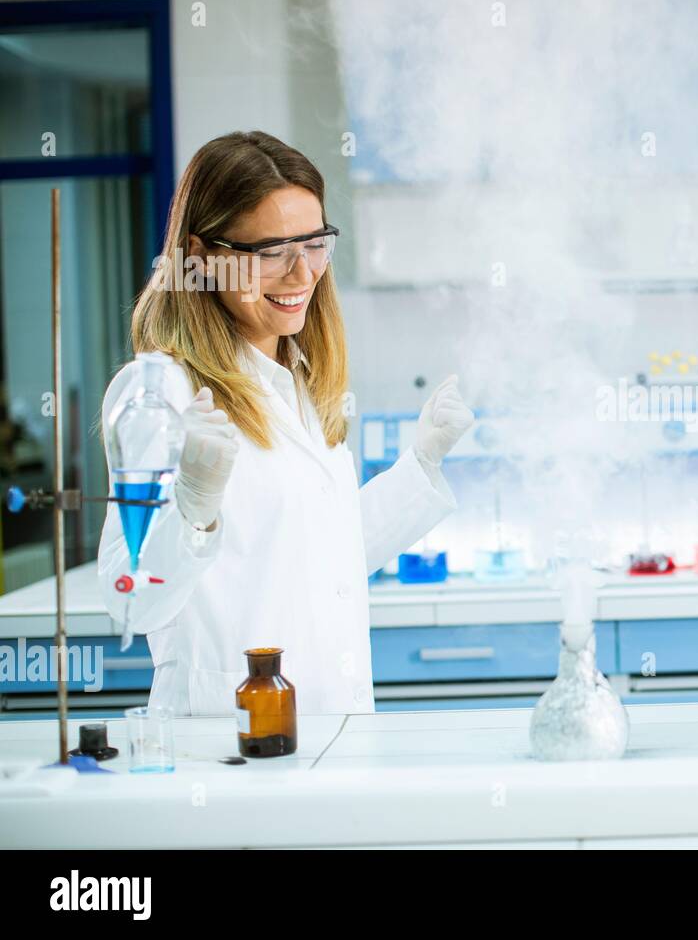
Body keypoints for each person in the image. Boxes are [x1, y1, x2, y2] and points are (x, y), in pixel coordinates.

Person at [97, 131, 473, 715]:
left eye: (315, 244)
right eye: (271, 252)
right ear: (200, 258)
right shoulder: (164, 394)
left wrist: (419, 464)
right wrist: (193, 506)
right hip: (228, 743)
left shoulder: (297, 379)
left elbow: (322, 555)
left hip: (333, 731)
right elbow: (130, 599)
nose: (302, 274)